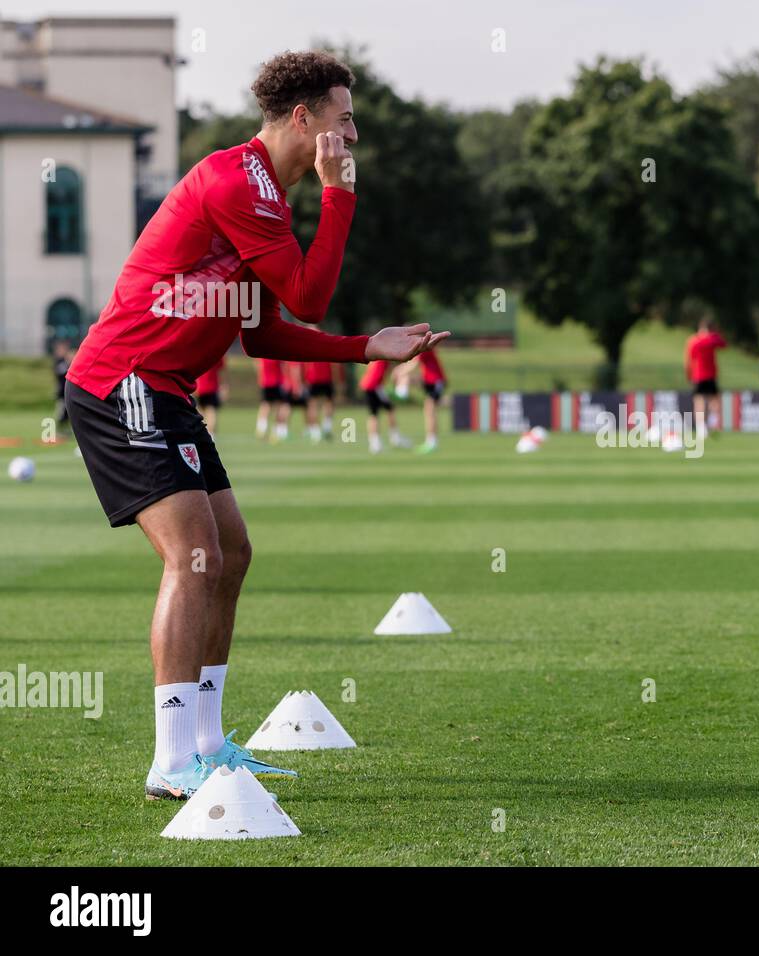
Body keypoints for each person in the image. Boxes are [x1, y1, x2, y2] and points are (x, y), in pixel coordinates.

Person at [63, 50, 447, 801]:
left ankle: (208, 745)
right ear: (303, 119)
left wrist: (365, 346)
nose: (353, 137)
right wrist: (341, 196)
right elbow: (307, 294)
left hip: (165, 388)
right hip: (124, 380)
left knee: (231, 552)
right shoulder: (242, 183)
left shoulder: (264, 191)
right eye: (344, 120)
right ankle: (172, 761)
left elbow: (264, 332)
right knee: (196, 555)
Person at [684, 319, 726, 437]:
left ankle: (702, 426)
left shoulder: (693, 340)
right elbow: (723, 343)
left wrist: (688, 375)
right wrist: (715, 334)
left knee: (700, 401)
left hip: (698, 376)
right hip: (707, 375)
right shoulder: (711, 339)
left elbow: (688, 360)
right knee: (712, 400)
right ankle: (711, 423)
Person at [360, 359, 410, 453]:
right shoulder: (383, 357)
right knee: (385, 411)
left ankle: (376, 443)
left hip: (370, 385)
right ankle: (393, 439)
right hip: (374, 386)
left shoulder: (378, 357)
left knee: (375, 414)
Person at [416, 349, 447, 454]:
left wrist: (400, 372)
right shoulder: (421, 347)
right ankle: (431, 441)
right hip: (430, 382)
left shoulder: (424, 348)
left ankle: (432, 442)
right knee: (430, 410)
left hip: (436, 382)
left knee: (430, 410)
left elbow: (413, 364)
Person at [254, 358, 287, 441]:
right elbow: (283, 367)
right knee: (277, 408)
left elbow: (258, 366)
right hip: (276, 382)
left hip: (266, 382)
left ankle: (261, 429)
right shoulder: (275, 354)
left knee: (265, 406)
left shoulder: (261, 355)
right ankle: (277, 431)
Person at [303, 360, 336, 441]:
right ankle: (326, 426)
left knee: (313, 405)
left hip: (313, 378)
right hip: (326, 377)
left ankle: (316, 430)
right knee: (328, 403)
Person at [195, 356, 225, 434]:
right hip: (211, 387)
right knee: (211, 411)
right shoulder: (217, 352)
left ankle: (204, 434)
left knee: (201, 413)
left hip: (199, 387)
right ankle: (211, 436)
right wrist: (223, 385)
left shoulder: (197, 352)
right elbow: (221, 370)